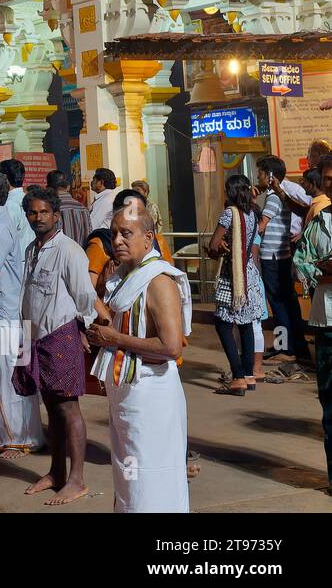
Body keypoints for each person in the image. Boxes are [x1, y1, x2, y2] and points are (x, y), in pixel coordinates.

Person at [87, 202, 191, 512]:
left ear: (148, 238)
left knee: (149, 477)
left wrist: (114, 339)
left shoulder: (159, 282)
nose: (117, 240)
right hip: (129, 393)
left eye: (126, 234)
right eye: (114, 233)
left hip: (151, 397)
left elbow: (172, 347)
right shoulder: (126, 276)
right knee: (130, 476)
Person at [15, 186, 97, 505]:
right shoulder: (31, 249)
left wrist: (83, 330)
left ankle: (76, 480)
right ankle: (57, 472)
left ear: (56, 215)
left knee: (68, 408)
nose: (38, 217)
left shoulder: (69, 250)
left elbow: (86, 298)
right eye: (33, 213)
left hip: (61, 335)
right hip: (34, 337)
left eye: (44, 212)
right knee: (50, 407)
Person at [0, 171, 44, 456]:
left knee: (4, 377)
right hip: (9, 310)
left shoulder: (0, 224)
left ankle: (11, 436)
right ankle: (21, 434)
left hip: (3, 312)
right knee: (12, 374)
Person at [206, 174, 266, 395]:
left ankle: (238, 376)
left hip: (233, 276)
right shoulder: (252, 213)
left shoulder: (229, 213)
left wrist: (218, 246)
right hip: (249, 273)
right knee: (246, 324)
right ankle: (249, 375)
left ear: (230, 191)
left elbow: (213, 245)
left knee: (222, 324)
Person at [295, 154, 332, 489]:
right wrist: (319, 271)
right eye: (327, 178)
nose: (330, 184)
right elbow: (301, 261)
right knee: (330, 402)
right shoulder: (320, 221)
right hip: (326, 321)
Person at [256, 155, 311, 365]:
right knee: (286, 302)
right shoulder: (282, 195)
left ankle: (285, 349)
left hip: (271, 255)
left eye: (260, 172)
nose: (257, 176)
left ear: (270, 176)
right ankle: (290, 345)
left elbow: (261, 225)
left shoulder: (273, 198)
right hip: (283, 254)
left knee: (277, 303)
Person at [47, 169, 91, 246]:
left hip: (60, 256)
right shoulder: (84, 209)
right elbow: (89, 236)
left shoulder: (52, 210)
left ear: (49, 189)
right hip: (81, 255)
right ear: (68, 187)